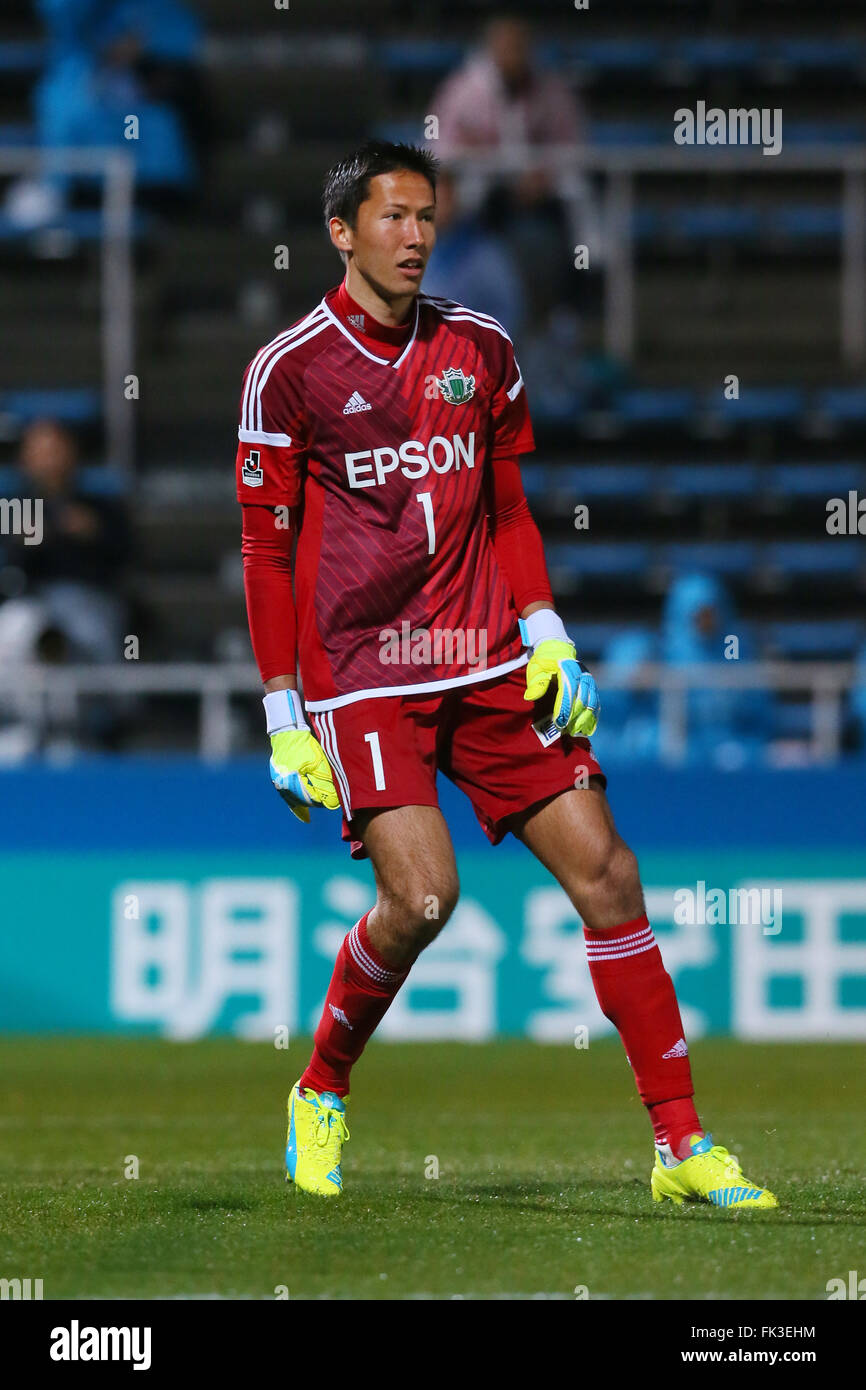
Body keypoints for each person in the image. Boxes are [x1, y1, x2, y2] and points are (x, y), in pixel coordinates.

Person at [236, 140, 777, 1211]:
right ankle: (321, 1084)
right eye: (391, 217)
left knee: (610, 874)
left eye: (426, 216)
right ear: (340, 232)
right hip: (362, 671)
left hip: (484, 653)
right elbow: (266, 551)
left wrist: (545, 630)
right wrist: (281, 712)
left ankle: (678, 1147)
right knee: (423, 894)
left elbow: (506, 509)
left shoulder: (477, 347)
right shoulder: (289, 370)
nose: (414, 236)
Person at [661, 573, 770, 770]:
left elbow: (757, 708)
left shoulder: (736, 648)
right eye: (699, 614)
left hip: (736, 749)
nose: (706, 620)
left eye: (710, 612)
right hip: (685, 751)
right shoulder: (668, 652)